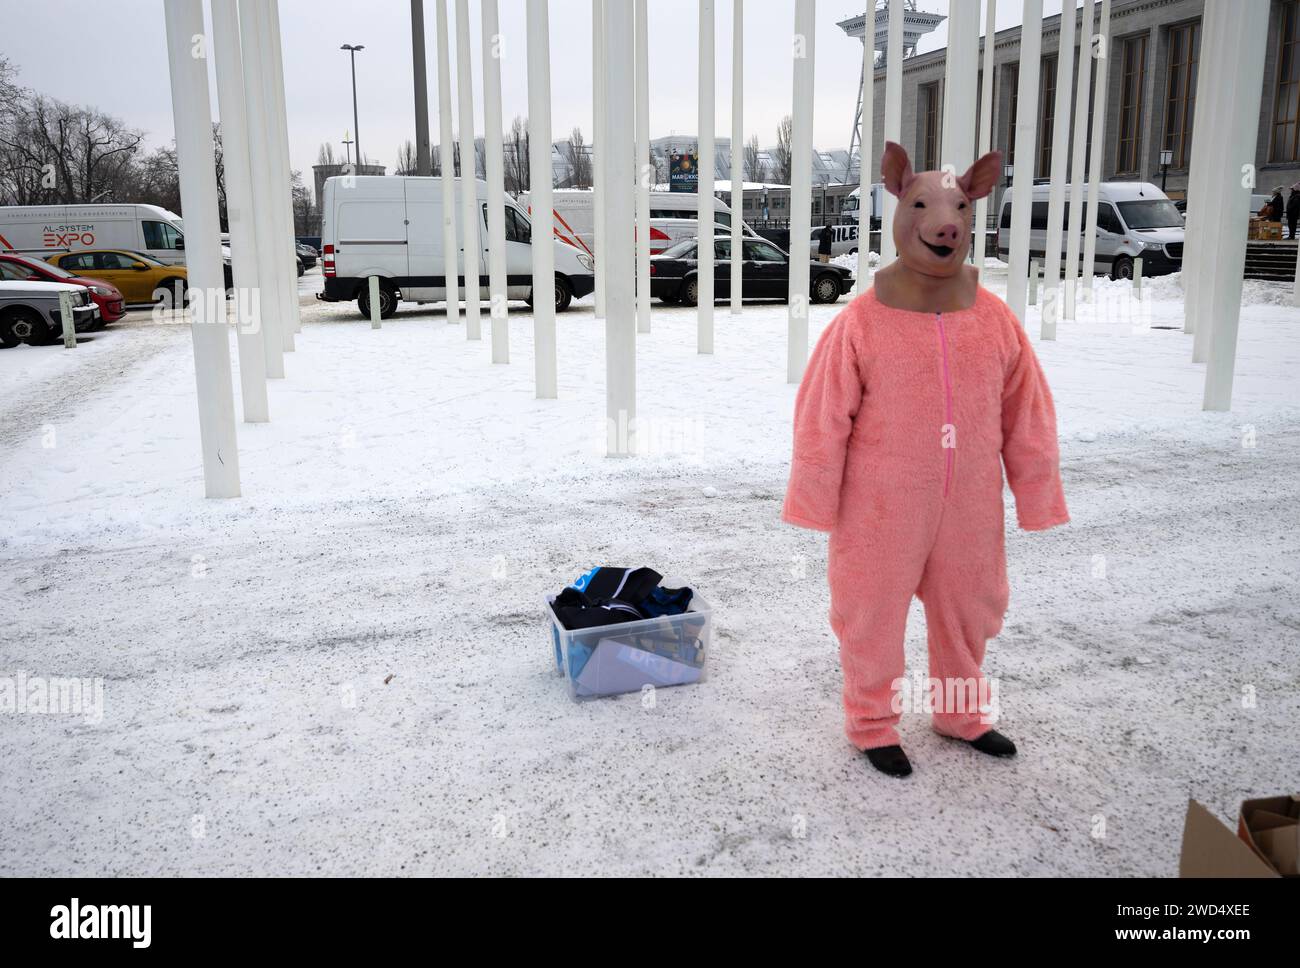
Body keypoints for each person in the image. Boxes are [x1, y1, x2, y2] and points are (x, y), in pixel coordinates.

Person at [782, 141, 1068, 779]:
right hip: (881, 505)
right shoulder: (864, 320)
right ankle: (871, 723)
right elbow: (821, 415)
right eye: (923, 205)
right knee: (871, 612)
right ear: (899, 206)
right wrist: (816, 495)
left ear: (973, 211)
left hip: (968, 503)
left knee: (970, 607)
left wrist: (1036, 493)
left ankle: (960, 713)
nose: (945, 223)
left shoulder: (994, 321)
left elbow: (1028, 414)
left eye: (959, 208)